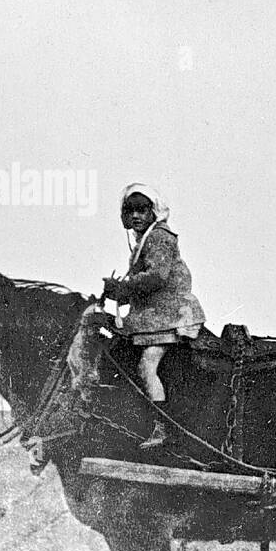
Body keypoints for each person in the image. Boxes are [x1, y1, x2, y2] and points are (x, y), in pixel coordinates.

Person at [102, 183, 206, 449]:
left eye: (142, 210)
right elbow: (146, 287)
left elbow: (157, 277)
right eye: (131, 211)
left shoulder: (159, 237)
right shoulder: (145, 240)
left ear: (154, 212)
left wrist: (123, 288)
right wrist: (119, 293)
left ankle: (161, 428)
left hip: (170, 315)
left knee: (146, 365)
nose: (136, 216)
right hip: (157, 315)